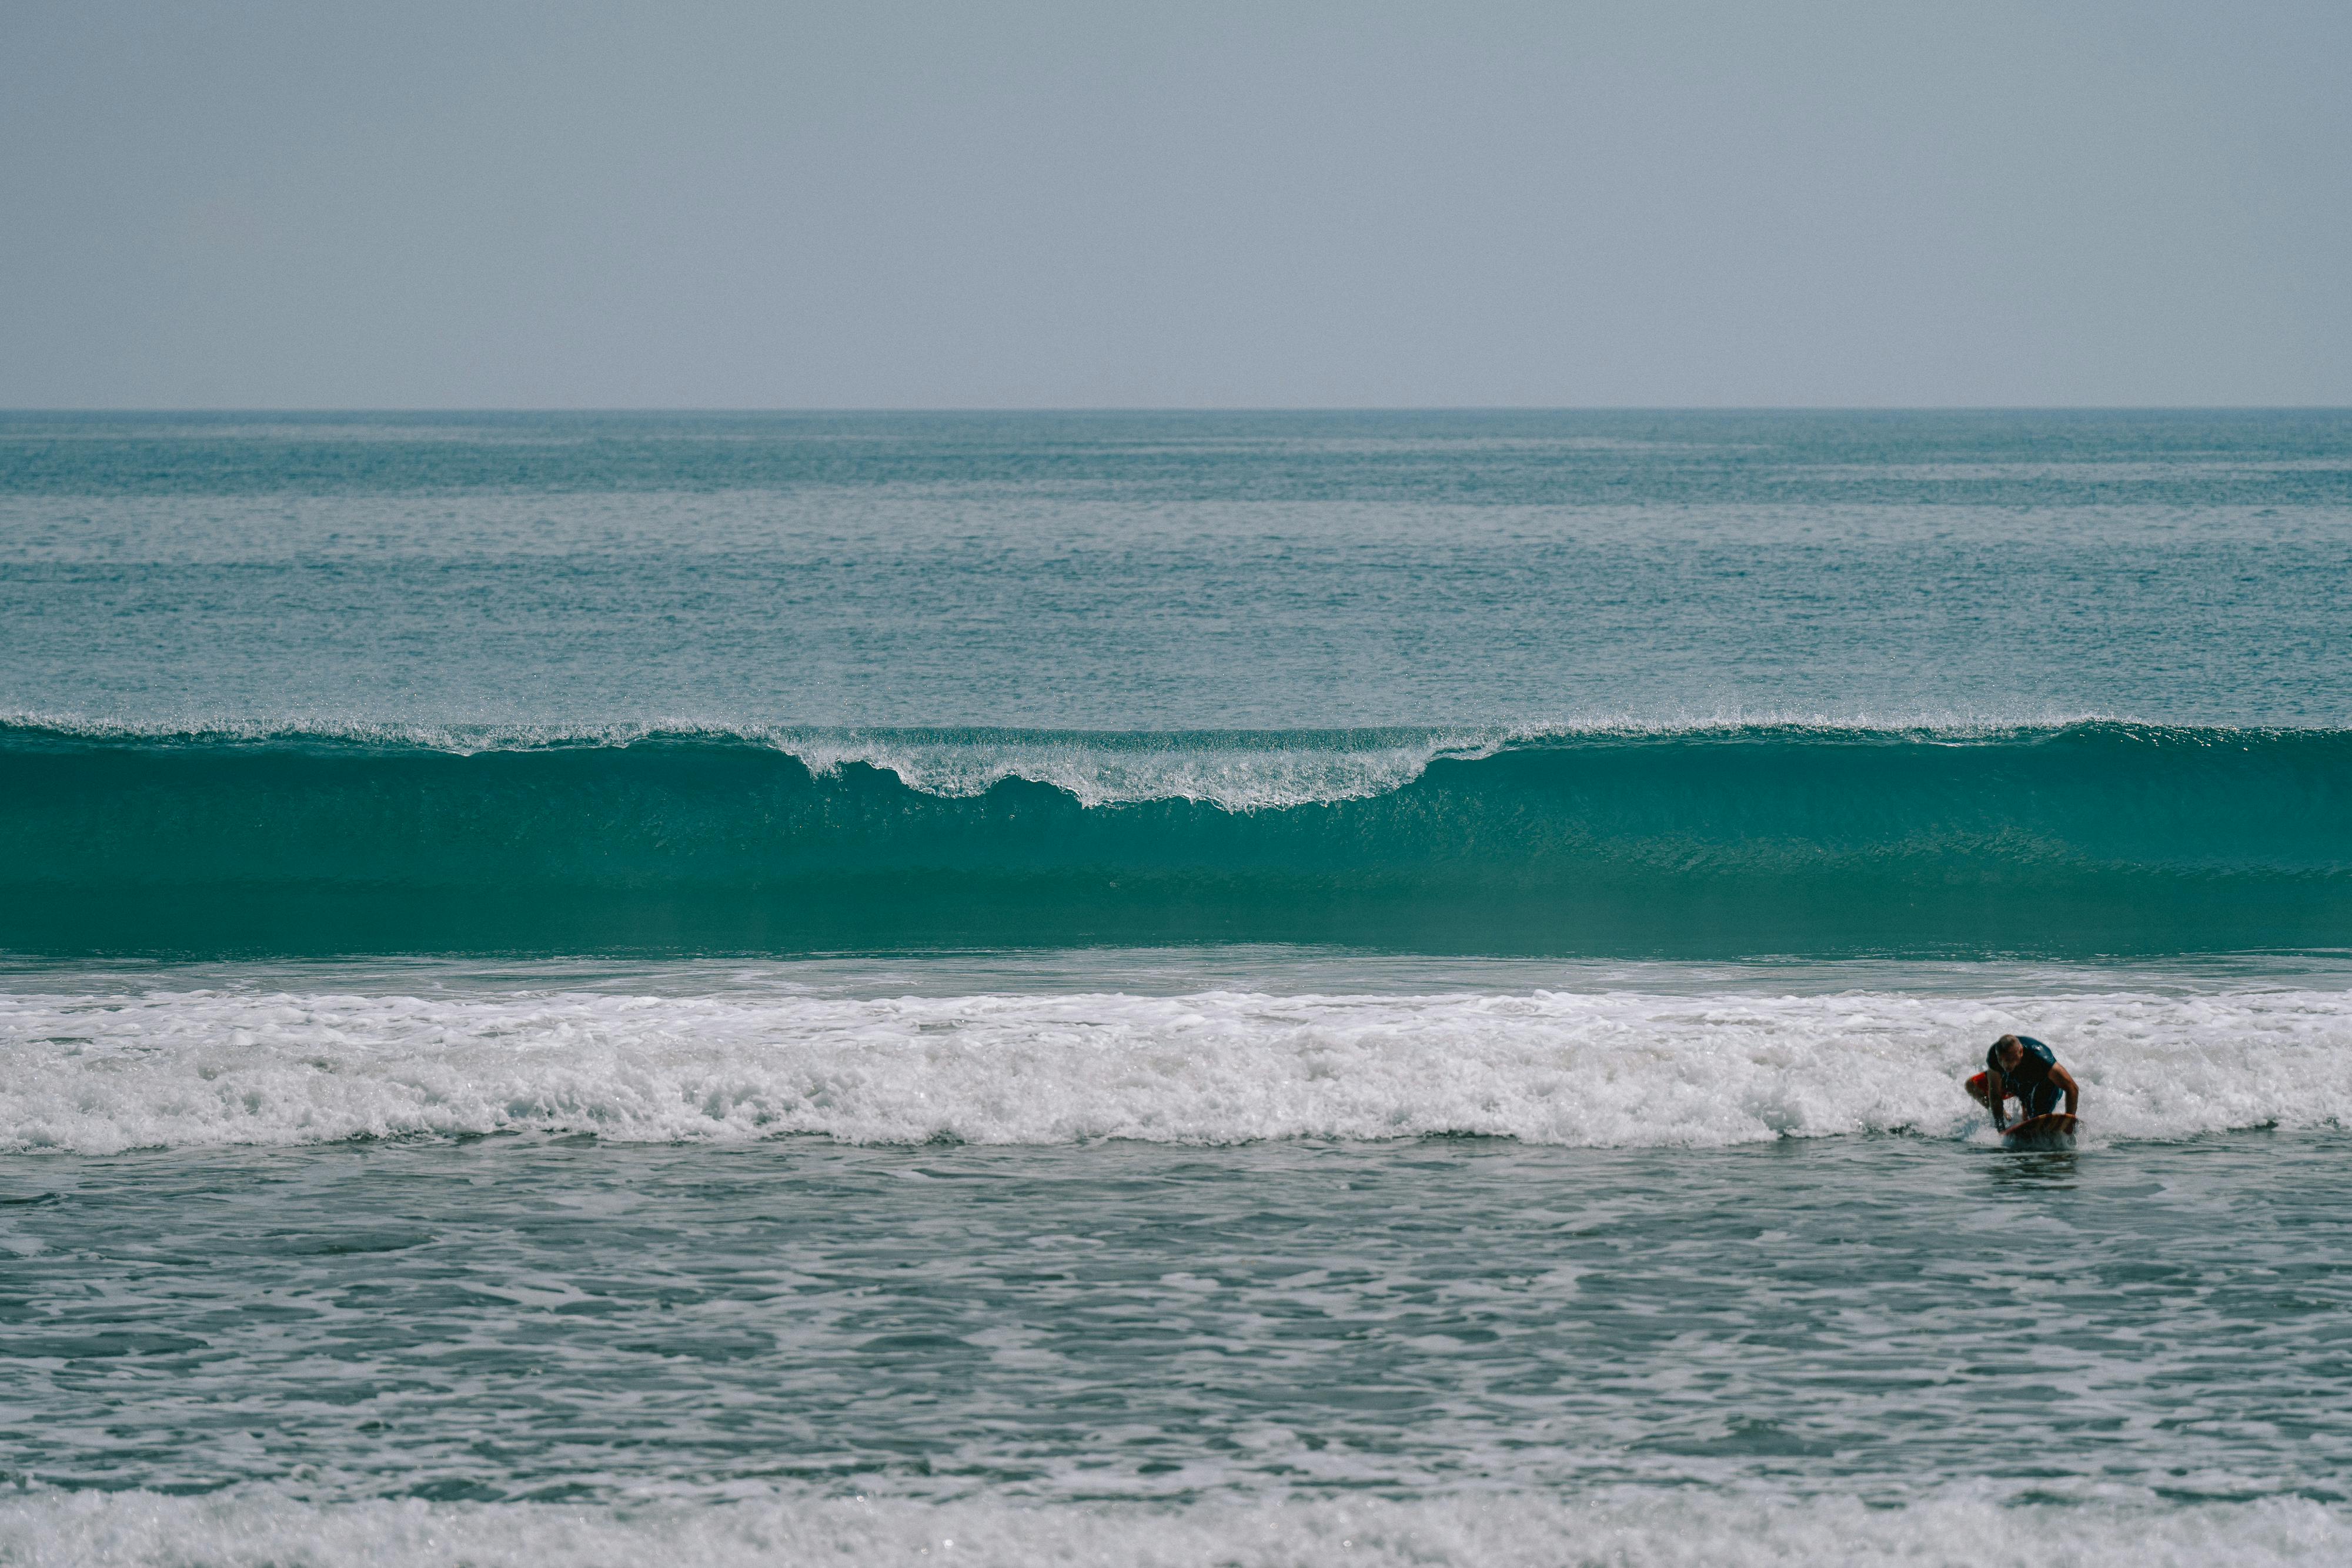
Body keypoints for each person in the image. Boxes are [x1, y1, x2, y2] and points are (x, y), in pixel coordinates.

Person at [1966, 1034, 2080, 1132]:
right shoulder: (1995, 1056)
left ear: (2021, 1052)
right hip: (2015, 1081)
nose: (2006, 1065)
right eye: (2002, 1060)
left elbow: (2072, 1088)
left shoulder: (2039, 1056)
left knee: (2034, 1123)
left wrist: (2069, 1122)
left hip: (2045, 1085)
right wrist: (2001, 1127)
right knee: (1972, 1085)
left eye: (2010, 1060)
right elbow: (1995, 1094)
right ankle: (2008, 1118)